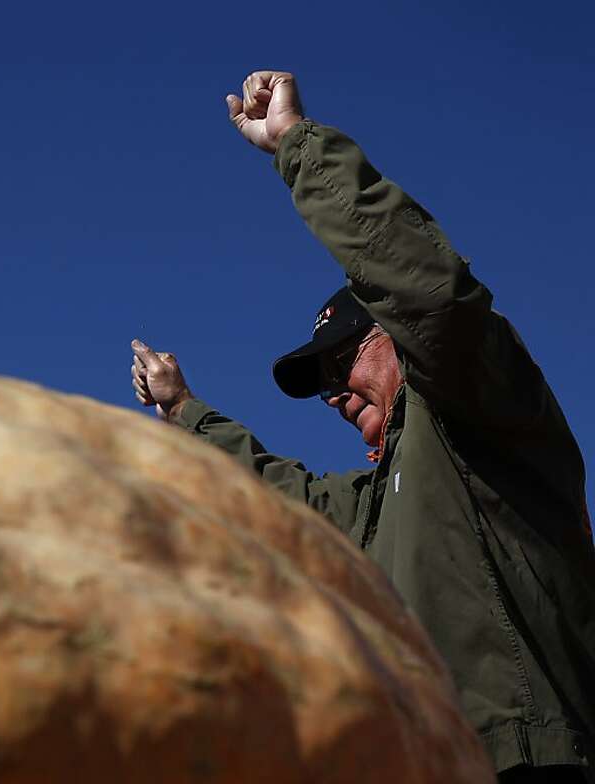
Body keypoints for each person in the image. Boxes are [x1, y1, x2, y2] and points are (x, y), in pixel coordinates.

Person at [132, 71, 595, 783]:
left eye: (341, 362)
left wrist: (295, 144)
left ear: (398, 338)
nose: (333, 397)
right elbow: (284, 501)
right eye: (318, 386)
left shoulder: (480, 406)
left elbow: (431, 295)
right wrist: (184, 411)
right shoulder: (375, 506)